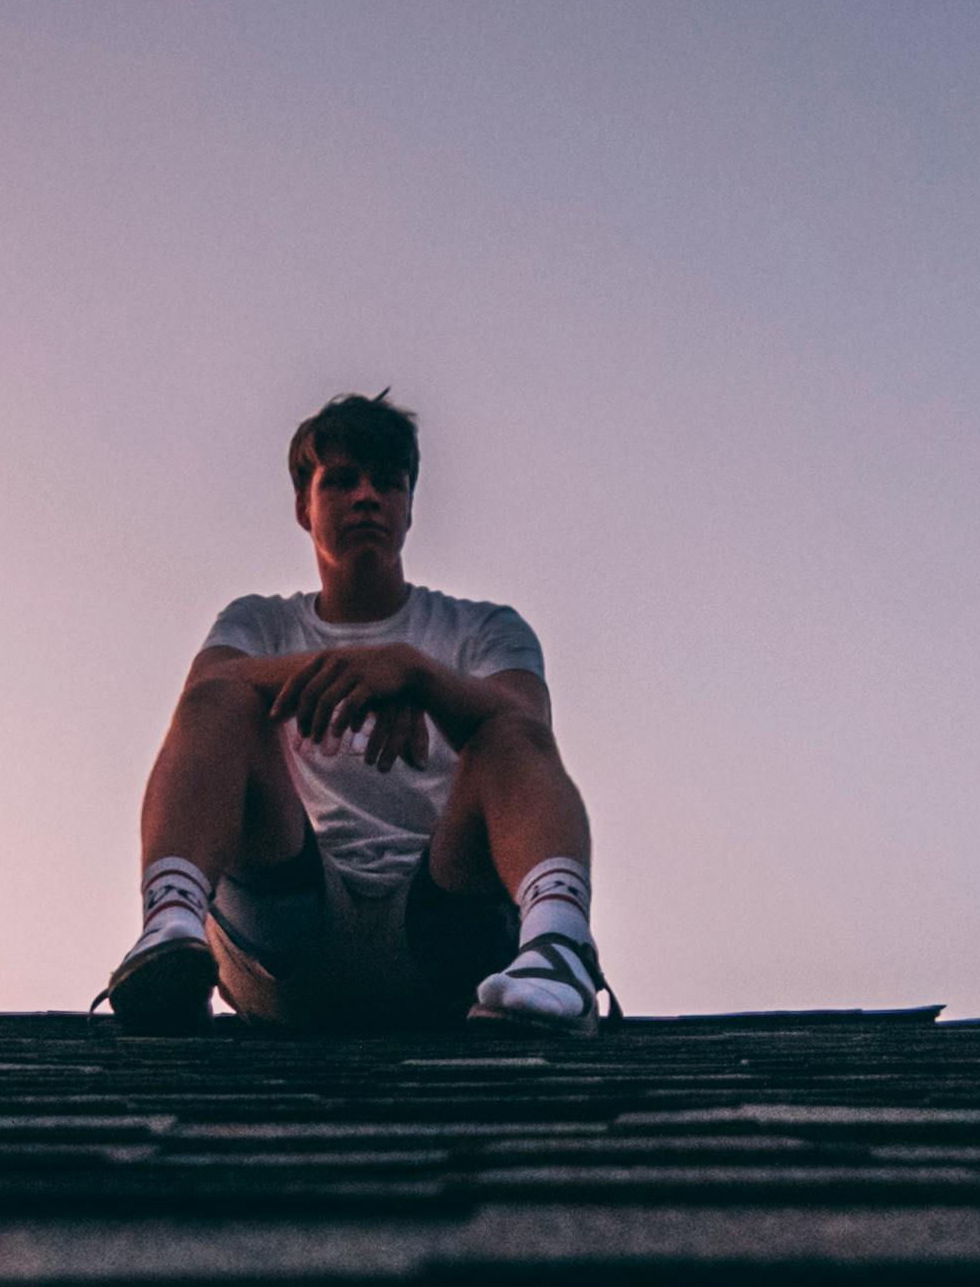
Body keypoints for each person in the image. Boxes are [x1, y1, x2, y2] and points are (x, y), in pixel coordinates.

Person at [103, 390, 607, 1034]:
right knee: (221, 700)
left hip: (450, 946)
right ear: (303, 507)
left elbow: (527, 724)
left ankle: (560, 949)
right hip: (285, 943)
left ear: (409, 508)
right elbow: (210, 692)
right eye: (341, 480)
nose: (367, 496)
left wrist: (414, 672)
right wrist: (359, 674)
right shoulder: (258, 621)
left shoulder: (486, 628)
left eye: (388, 483)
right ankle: (168, 934)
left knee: (507, 730)